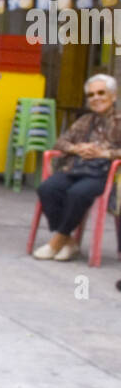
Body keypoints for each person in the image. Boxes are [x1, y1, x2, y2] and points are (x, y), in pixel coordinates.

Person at [33, 73, 121, 261]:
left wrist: (103, 152)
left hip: (104, 174)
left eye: (101, 93)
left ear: (113, 95)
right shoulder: (85, 120)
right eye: (91, 95)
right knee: (47, 188)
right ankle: (69, 241)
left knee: (77, 193)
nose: (96, 98)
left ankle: (56, 242)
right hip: (76, 168)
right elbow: (60, 142)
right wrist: (76, 148)